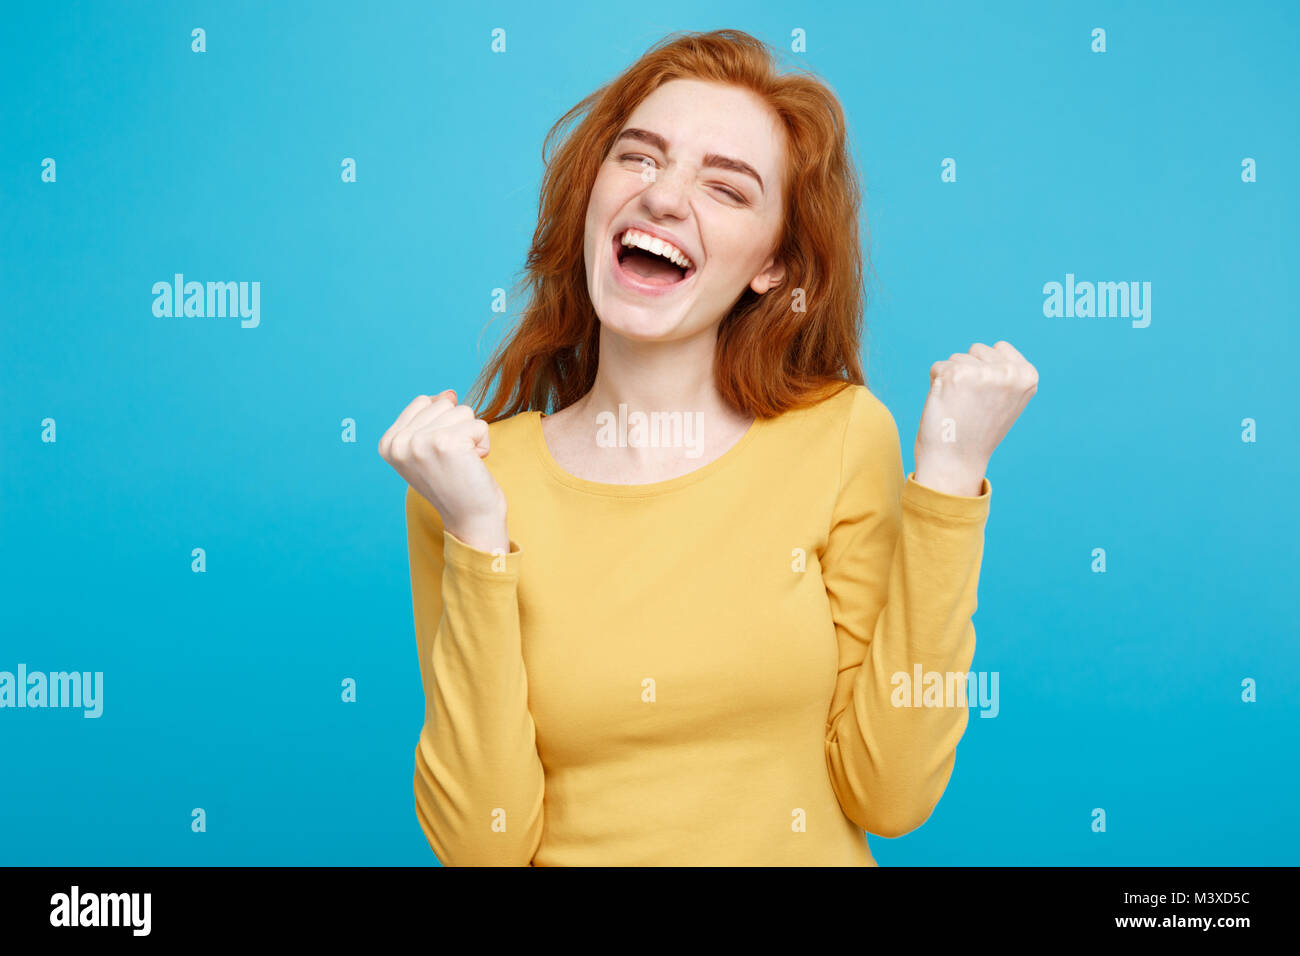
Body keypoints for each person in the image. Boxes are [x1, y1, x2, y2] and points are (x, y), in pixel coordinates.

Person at [380, 28, 1036, 866]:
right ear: (593, 195)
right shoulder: (469, 481)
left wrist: (947, 479)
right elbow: (482, 845)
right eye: (640, 159)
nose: (663, 198)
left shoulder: (840, 436)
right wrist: (477, 532)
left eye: (727, 189)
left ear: (771, 266)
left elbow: (893, 794)